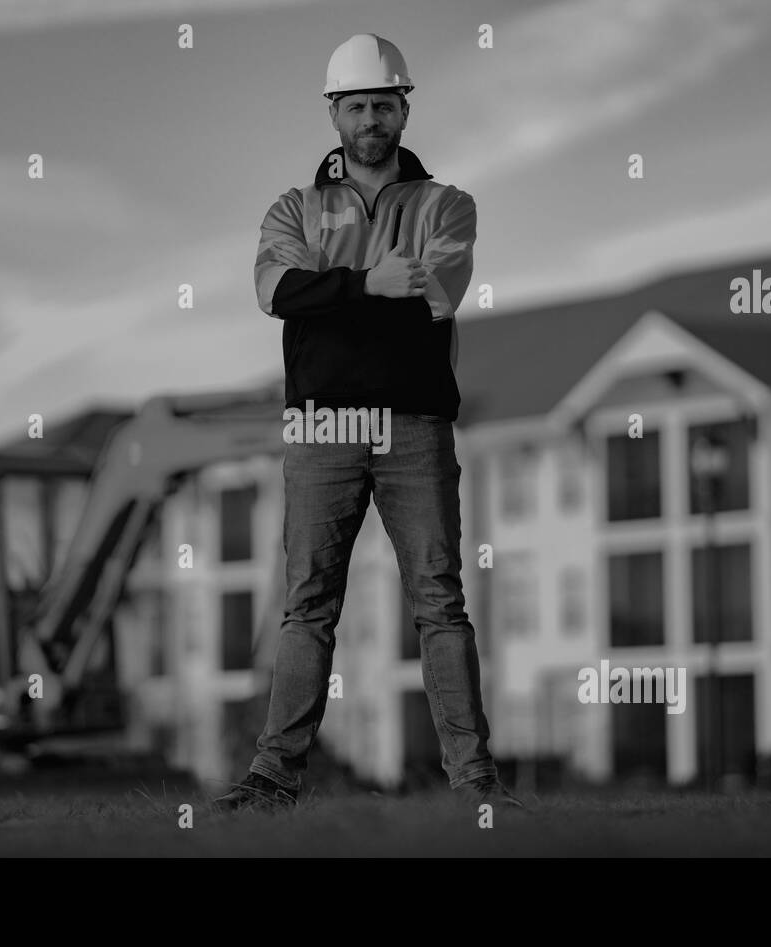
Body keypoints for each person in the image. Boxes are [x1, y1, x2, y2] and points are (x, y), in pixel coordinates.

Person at [213, 33, 521, 813]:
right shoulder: (294, 207)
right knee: (308, 606)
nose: (372, 118)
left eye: (385, 103)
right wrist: (371, 283)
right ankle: (272, 778)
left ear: (404, 107)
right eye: (357, 106)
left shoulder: (447, 204)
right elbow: (274, 290)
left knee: (438, 601)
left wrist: (332, 295)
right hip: (320, 430)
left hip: (414, 425)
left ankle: (474, 780)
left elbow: (435, 293)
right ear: (334, 113)